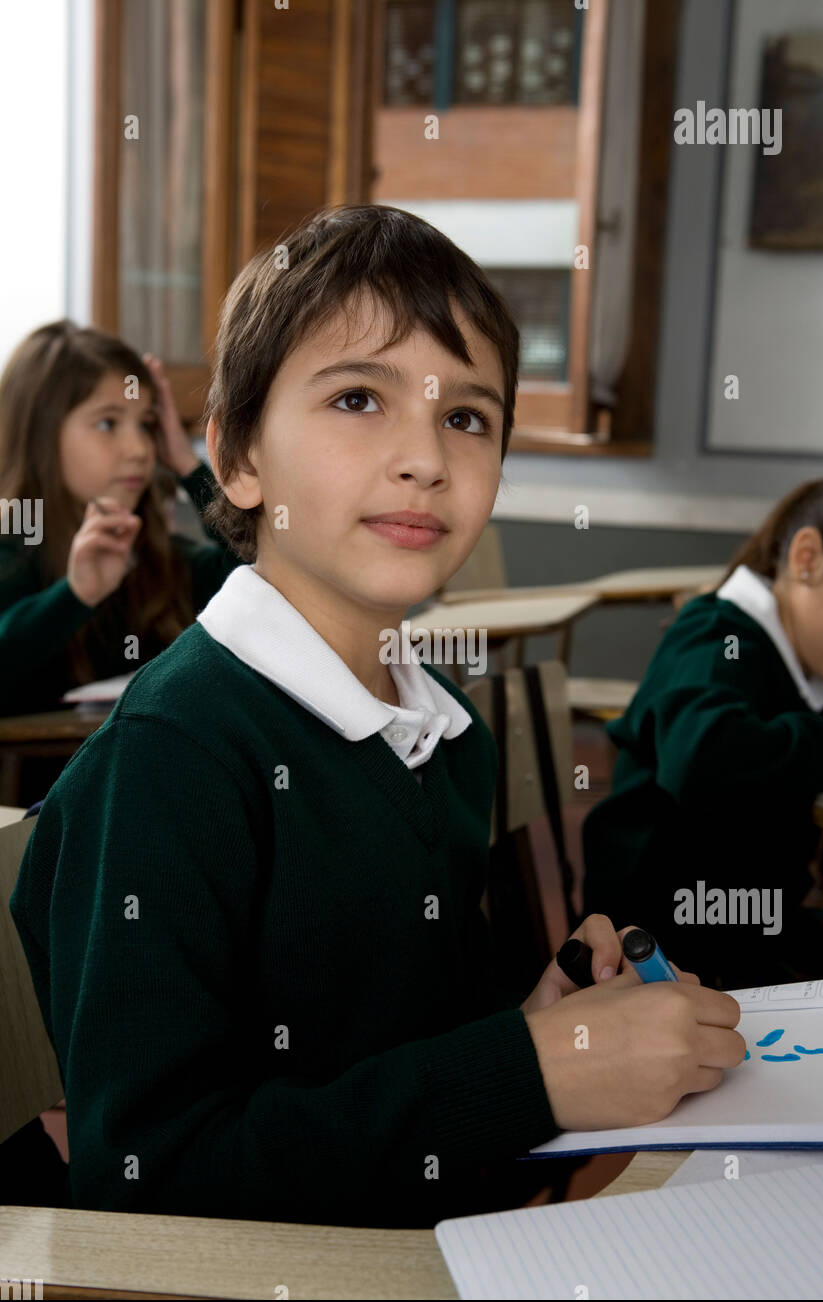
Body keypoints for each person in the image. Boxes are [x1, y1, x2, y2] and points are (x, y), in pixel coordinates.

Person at [9, 205, 744, 1228]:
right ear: (237, 460)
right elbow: (152, 1176)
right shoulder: (172, 760)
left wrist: (536, 1023)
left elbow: (392, 1058)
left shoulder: (443, 730)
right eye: (359, 396)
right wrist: (524, 1074)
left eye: (466, 416)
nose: (424, 457)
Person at [582, 466, 823, 991]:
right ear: (807, 559)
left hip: (745, 926)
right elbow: (704, 758)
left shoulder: (817, 660)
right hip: (665, 948)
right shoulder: (716, 636)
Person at [0, 320, 242, 800]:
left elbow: (268, 580)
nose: (137, 450)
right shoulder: (10, 550)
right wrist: (74, 597)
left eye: (147, 426)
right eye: (108, 423)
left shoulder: (162, 558)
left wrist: (190, 468)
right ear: (42, 433)